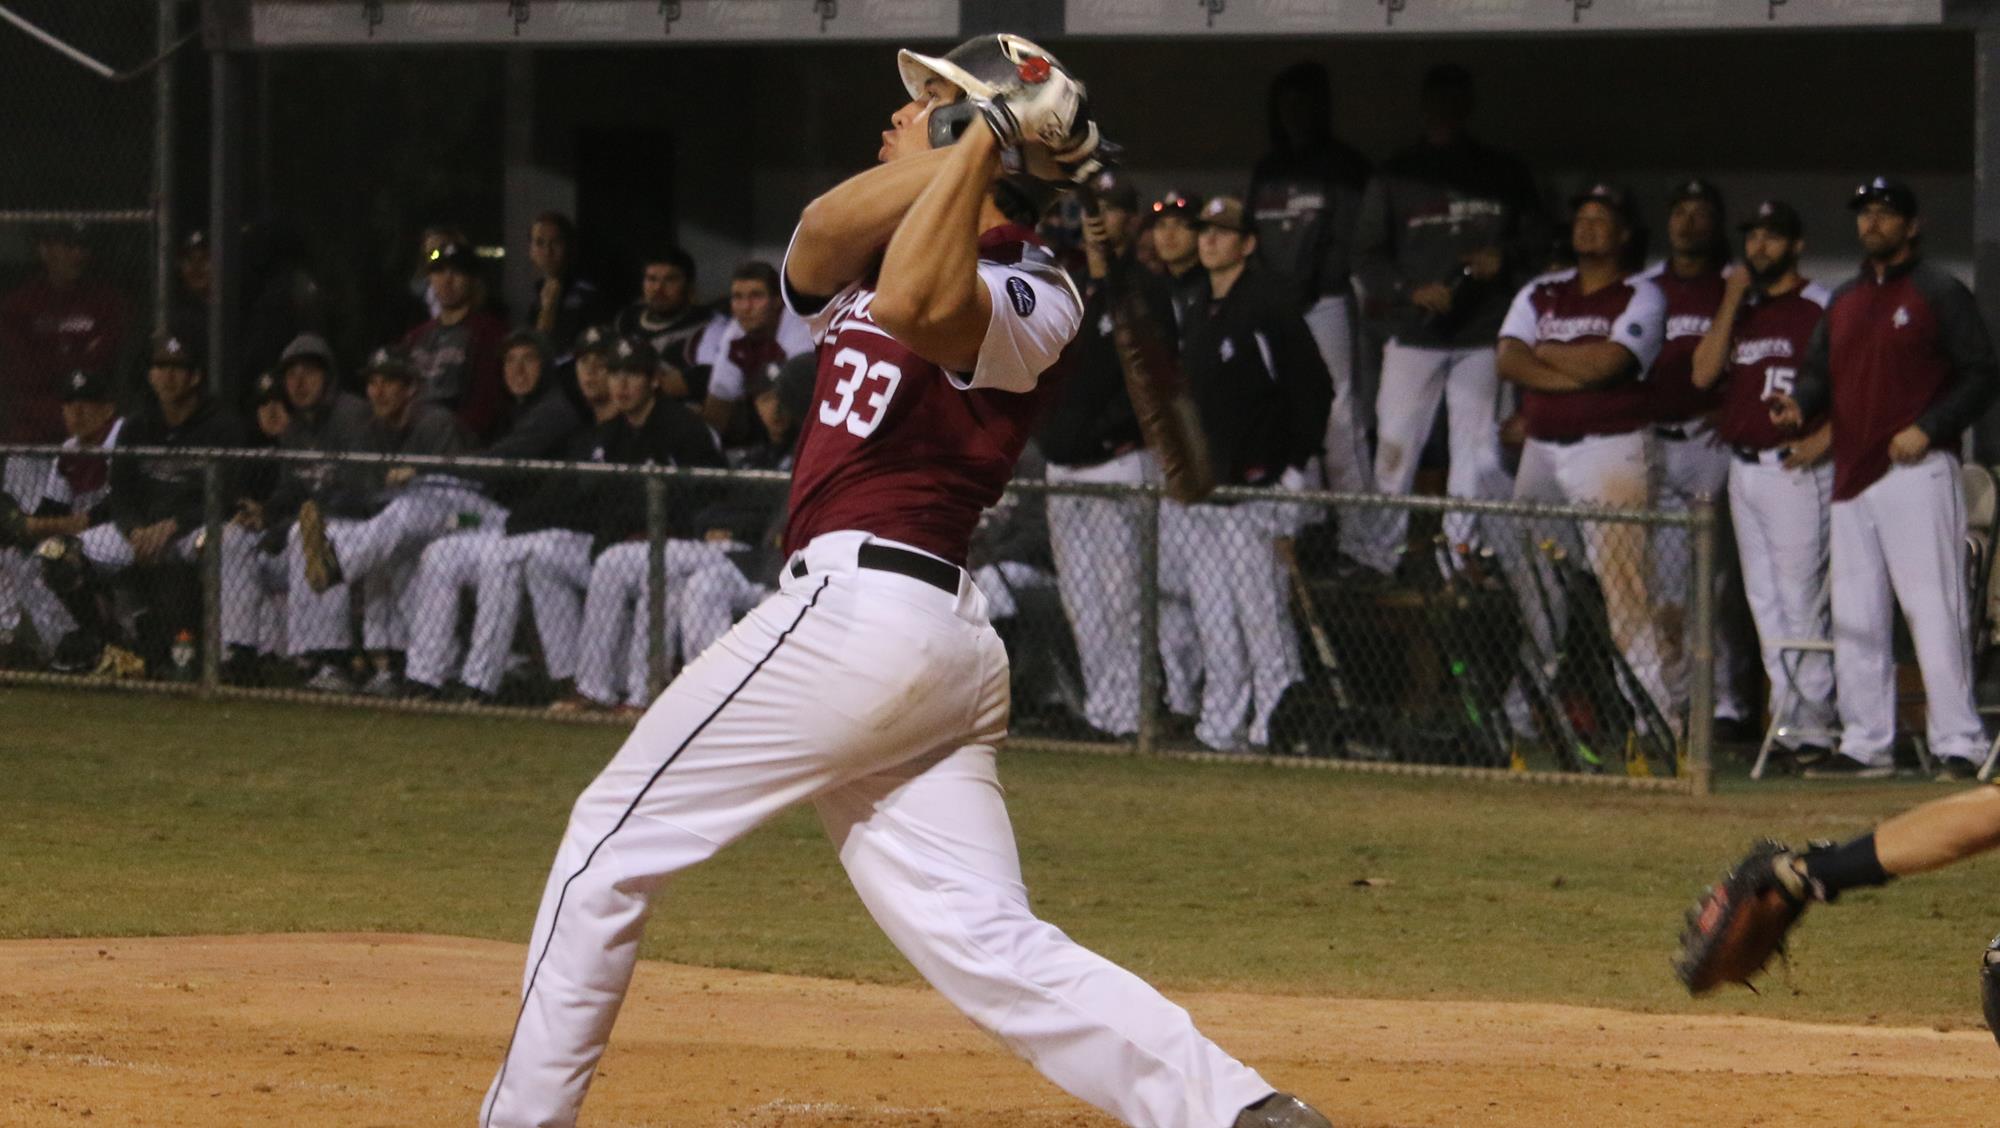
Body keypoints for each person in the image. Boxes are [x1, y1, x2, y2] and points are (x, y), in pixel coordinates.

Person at [480, 32, 1330, 1128]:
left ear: (962, 125)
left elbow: (931, 307)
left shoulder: (1041, 287)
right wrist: (987, 134)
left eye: (919, 99)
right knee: (987, 940)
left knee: (604, 848)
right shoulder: (875, 237)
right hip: (908, 646)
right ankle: (1241, 1114)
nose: (890, 117)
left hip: (868, 615)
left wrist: (985, 138)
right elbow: (816, 235)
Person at [1769, 178, 2000, 780]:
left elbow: (1980, 373)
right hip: (1852, 471)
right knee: (1858, 614)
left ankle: (1960, 740)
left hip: (1916, 466)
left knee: (1933, 606)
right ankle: (1867, 742)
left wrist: (1931, 426)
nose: (1872, 222)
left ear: (1912, 225)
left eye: (1885, 213)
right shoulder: (1844, 298)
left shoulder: (1939, 292)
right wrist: (1800, 406)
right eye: (1866, 213)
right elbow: (1820, 372)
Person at [1351, 63, 1545, 574]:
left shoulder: (1501, 171)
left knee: (1477, 455)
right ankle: (1381, 560)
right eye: (1438, 100)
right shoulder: (1398, 172)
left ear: (1468, 105)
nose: (1446, 111)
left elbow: (1540, 241)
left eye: (1455, 100)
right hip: (1415, 332)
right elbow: (1366, 256)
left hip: (1482, 332)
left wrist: (1503, 259)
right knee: (1394, 449)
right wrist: (1410, 289)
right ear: (1424, 106)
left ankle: (1461, 558)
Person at [1496, 183, 1673, 741]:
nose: (1588, 226)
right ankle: (1523, 714)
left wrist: (1545, 356)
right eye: (1583, 217)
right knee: (1536, 586)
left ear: (1624, 234)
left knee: (1624, 589)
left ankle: (1656, 719)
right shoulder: (1541, 291)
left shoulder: (1642, 294)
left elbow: (1612, 364)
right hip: (1543, 452)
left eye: (1603, 219)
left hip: (1611, 448)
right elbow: (1508, 358)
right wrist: (1568, 374)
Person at [1038, 170, 1199, 740]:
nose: (1097, 220)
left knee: (1125, 600)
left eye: (1109, 210)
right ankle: (1104, 713)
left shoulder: (1144, 292)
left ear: (1132, 222)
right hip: (1063, 465)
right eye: (1089, 210)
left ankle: (1133, 715)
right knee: (1083, 602)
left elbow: (1156, 383)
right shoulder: (1066, 286)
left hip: (1118, 463)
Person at [1168, 195, 1332, 753]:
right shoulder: (1198, 306)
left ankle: (1276, 725)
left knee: (1262, 615)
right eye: (1204, 230)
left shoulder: (1268, 305)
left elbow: (1314, 388)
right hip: (1210, 491)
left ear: (1248, 243)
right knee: (1217, 618)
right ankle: (1221, 726)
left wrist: (1291, 463)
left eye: (1222, 230)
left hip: (1259, 487)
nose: (1209, 239)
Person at [1690, 199, 1836, 769]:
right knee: (1763, 603)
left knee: (1800, 601)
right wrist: (1730, 297)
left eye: (1773, 237)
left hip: (1793, 467)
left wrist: (1828, 441)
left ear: (1796, 245)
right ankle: (1789, 723)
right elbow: (1703, 373)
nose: (1760, 247)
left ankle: (1816, 730)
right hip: (1742, 467)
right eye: (1753, 236)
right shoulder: (1743, 310)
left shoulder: (1822, 304)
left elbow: (1857, 379)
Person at [425, 325, 624, 704]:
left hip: (609, 545)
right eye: (585, 364)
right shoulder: (584, 432)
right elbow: (558, 497)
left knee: (514, 553)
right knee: (525, 559)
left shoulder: (618, 427)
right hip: (569, 540)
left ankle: (479, 685)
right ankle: (569, 681)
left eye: (604, 366)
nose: (592, 374)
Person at [290, 346, 495, 697]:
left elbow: (466, 478)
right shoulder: (375, 430)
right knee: (396, 543)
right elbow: (366, 491)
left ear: (410, 388)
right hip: (432, 524)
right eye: (373, 382)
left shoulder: (434, 421)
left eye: (389, 382)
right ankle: (428, 662)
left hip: (476, 516)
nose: (378, 391)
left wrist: (422, 471)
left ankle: (337, 564)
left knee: (408, 510)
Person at [1637, 178, 1758, 738]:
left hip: (1712, 446)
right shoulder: (1645, 289)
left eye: (1700, 213)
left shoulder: (1733, 288)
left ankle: (1729, 705)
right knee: (1665, 588)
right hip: (1655, 443)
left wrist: (1733, 408)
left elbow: (1759, 360)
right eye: (1680, 212)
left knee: (1720, 584)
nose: (1689, 222)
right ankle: (1676, 702)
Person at [556, 336, 727, 713]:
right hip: (645, 546)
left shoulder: (681, 427)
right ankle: (595, 687)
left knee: (627, 566)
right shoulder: (616, 433)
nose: (621, 384)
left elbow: (717, 491)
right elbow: (609, 505)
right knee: (614, 564)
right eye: (615, 374)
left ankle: (641, 693)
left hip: (701, 544)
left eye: (632, 374)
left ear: (653, 380)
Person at [1247, 61, 1373, 560]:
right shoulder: (1269, 168)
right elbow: (1253, 239)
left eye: (1304, 103)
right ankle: (1307, 526)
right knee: (1284, 413)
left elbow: (1349, 242)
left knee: (1339, 417)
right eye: (1287, 104)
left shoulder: (1344, 165)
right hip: (1276, 308)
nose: (1295, 113)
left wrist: (1309, 287)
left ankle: (1361, 542)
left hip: (1325, 303)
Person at [89, 334, 255, 670]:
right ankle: (106, 645)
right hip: (140, 532)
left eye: (178, 368)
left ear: (195, 376)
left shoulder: (222, 427)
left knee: (232, 541)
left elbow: (226, 496)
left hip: (194, 531)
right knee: (57, 555)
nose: (168, 376)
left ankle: (235, 656)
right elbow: (120, 492)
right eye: (161, 367)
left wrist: (175, 524)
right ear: (150, 375)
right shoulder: (137, 426)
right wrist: (135, 529)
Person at [0, 368, 122, 671]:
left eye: (87, 404)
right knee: (22, 553)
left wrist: (41, 526)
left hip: (125, 533)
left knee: (59, 553)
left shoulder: (123, 436)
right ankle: (41, 642)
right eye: (69, 405)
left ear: (108, 408)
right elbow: (50, 511)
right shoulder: (69, 450)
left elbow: (118, 506)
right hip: (89, 539)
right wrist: (23, 528)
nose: (76, 413)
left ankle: (98, 641)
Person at [0, 222, 129, 504]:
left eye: (82, 247)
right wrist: (79, 357)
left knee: (85, 532)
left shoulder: (106, 301)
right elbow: (21, 374)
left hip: (89, 442)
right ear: (44, 250)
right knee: (23, 531)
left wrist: (50, 361)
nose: (77, 255)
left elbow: (101, 369)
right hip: (32, 438)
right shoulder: (19, 304)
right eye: (68, 246)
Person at [697, 261, 815, 447]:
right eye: (738, 297)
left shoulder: (800, 326)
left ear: (777, 300)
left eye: (756, 296)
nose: (745, 307)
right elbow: (718, 407)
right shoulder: (735, 333)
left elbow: (801, 401)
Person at [403, 241, 509, 443]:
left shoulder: (490, 333)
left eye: (457, 272)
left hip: (456, 443)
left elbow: (485, 406)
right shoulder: (416, 336)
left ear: (471, 279)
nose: (447, 280)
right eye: (439, 272)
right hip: (411, 438)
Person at [613, 245, 728, 404]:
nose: (658, 288)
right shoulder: (627, 319)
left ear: (688, 285)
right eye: (651, 279)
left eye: (670, 279)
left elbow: (717, 383)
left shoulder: (709, 326)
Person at [524, 212, 607, 352]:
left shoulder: (588, 295)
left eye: (555, 242)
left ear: (569, 247)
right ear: (531, 251)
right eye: (539, 243)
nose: (547, 251)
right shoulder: (537, 294)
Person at [1148, 188, 1208, 330]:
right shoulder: (1150, 288)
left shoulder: (1215, 287)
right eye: (1161, 225)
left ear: (1200, 231)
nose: (1169, 235)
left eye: (1180, 224)